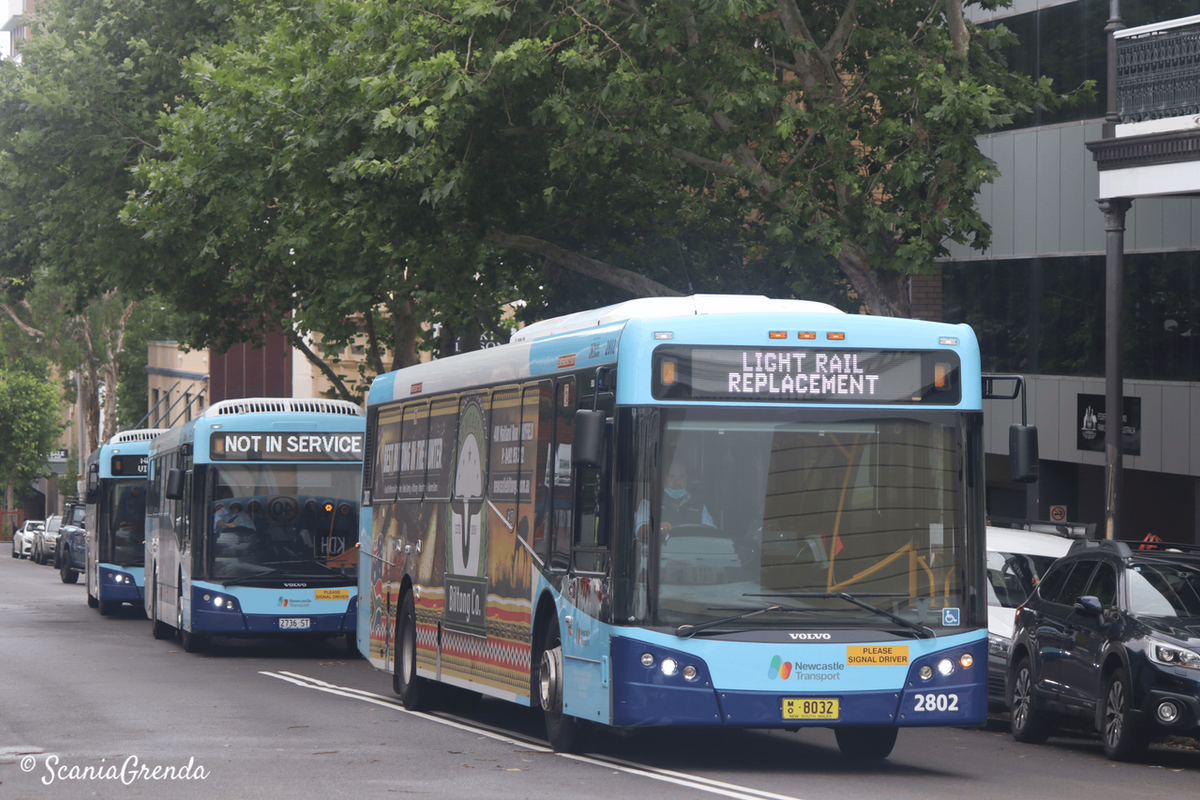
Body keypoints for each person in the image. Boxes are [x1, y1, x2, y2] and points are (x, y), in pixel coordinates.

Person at [636, 462, 714, 535]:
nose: (677, 482)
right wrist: (657, 527)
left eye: (682, 477)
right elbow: (640, 532)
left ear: (687, 479)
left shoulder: (700, 507)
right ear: (663, 479)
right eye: (672, 476)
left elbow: (712, 534)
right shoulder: (648, 504)